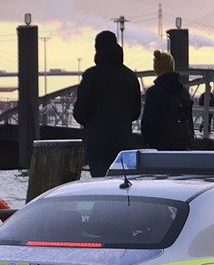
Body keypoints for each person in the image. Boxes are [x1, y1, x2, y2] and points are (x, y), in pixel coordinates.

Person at [72, 30, 141, 176]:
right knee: (122, 189)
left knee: (101, 187)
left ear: (97, 48)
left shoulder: (91, 76)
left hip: (98, 147)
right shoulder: (130, 77)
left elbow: (80, 114)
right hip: (123, 145)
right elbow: (135, 113)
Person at [140, 50, 194, 150]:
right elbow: (188, 119)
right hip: (181, 145)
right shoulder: (184, 91)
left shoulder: (153, 92)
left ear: (157, 69)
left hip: (159, 146)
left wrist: (147, 143)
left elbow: (147, 123)